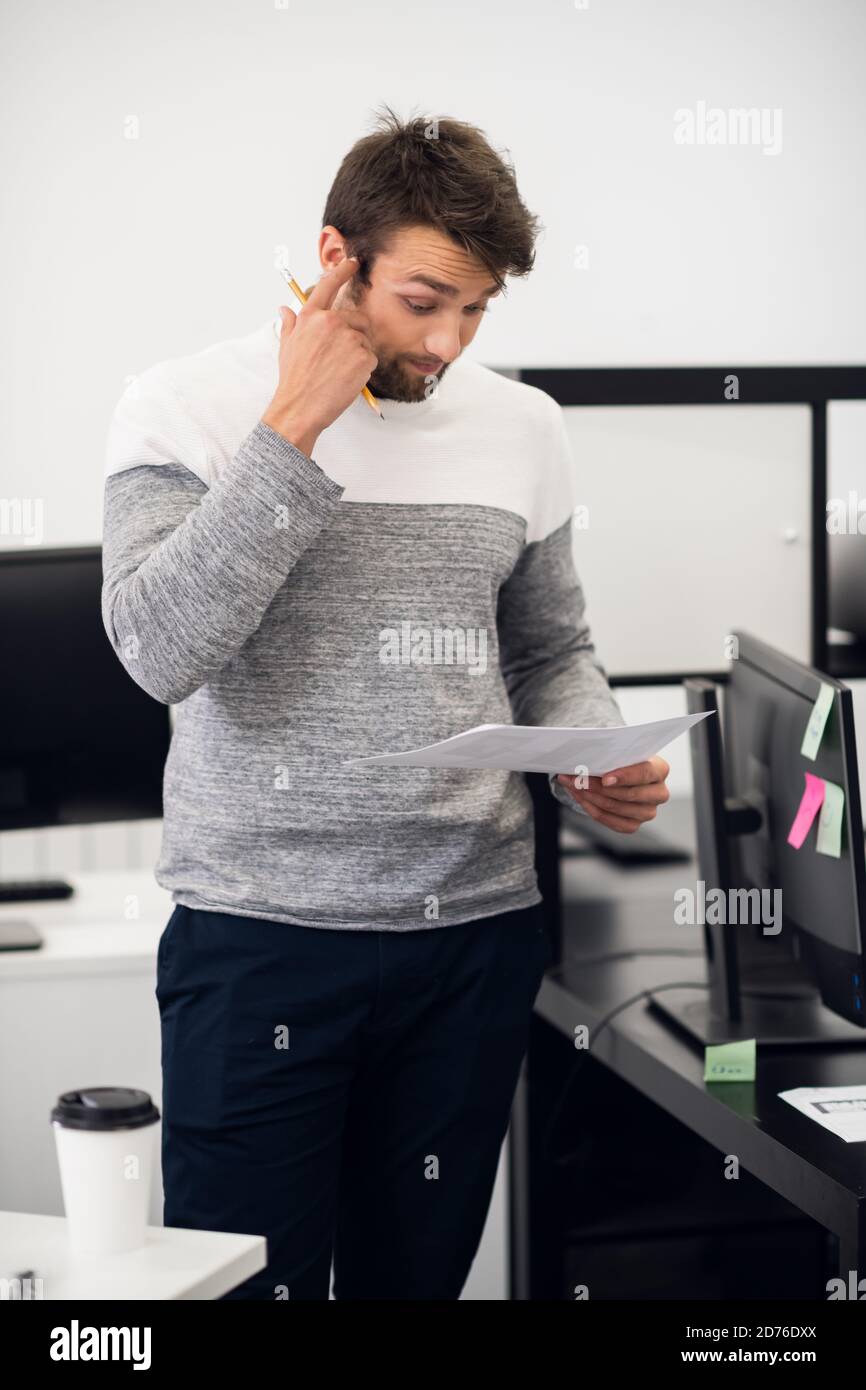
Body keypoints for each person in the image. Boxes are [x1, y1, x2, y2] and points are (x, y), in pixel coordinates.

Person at [101, 105, 670, 1300]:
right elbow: (159, 650)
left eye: (477, 308)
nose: (450, 341)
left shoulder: (524, 426)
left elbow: (549, 643)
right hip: (260, 943)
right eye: (423, 301)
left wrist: (590, 741)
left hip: (469, 941)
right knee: (249, 1290)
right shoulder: (182, 408)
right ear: (332, 260)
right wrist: (294, 423)